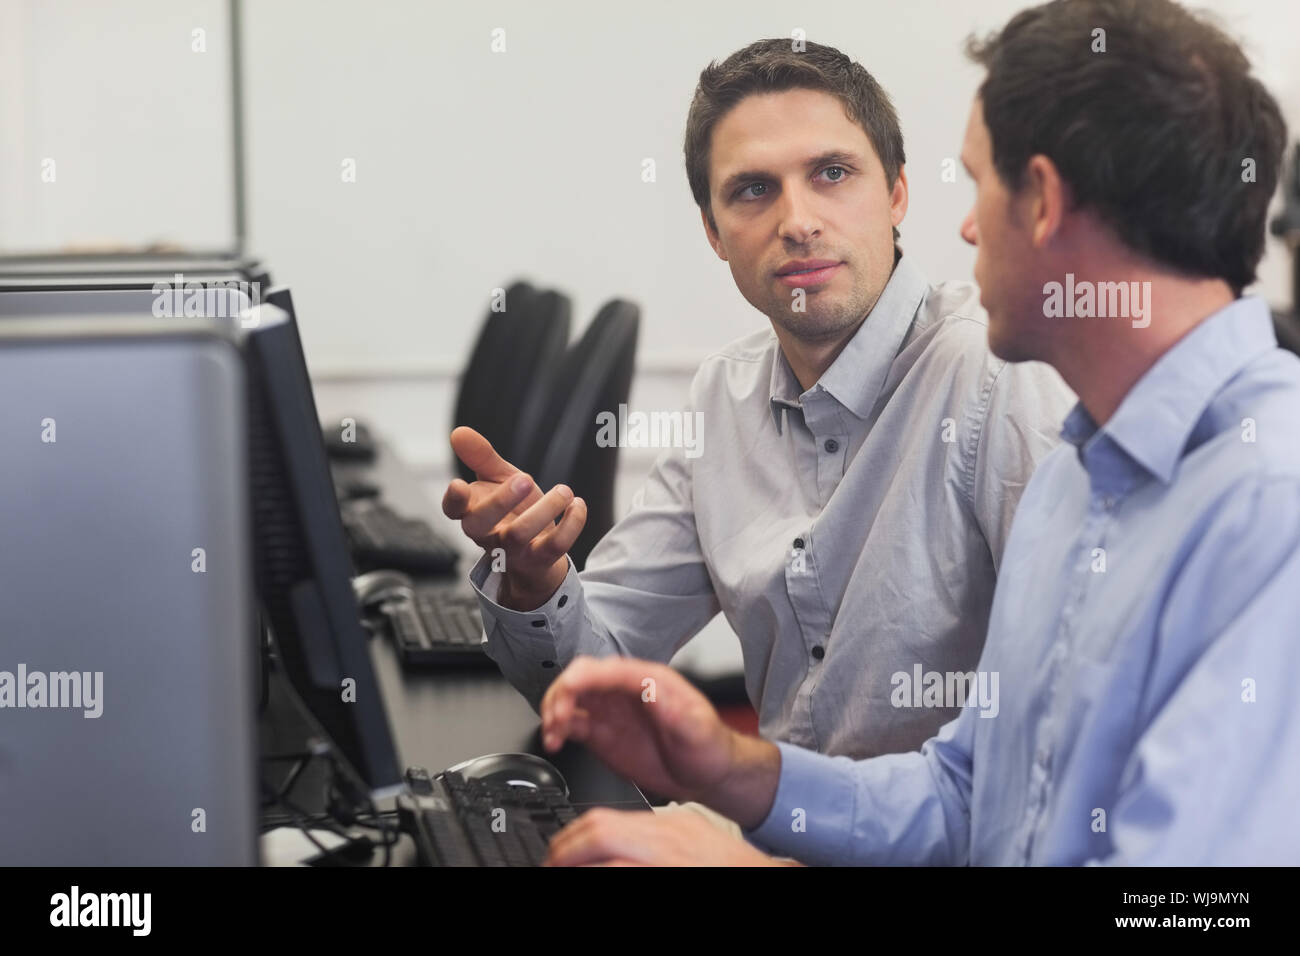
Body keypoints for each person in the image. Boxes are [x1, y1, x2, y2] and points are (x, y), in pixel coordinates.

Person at [536, 0, 1300, 866]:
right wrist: (739, 771)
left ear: (1041, 201)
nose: (967, 228)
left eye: (979, 185)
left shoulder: (1273, 502)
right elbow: (969, 798)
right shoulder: (1081, 470)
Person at [443, 39, 1073, 771]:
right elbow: (599, 666)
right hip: (779, 829)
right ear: (714, 231)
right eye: (753, 190)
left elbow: (1067, 726)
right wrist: (534, 580)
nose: (798, 220)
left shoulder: (999, 376)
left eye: (832, 174)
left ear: (897, 193)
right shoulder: (725, 396)